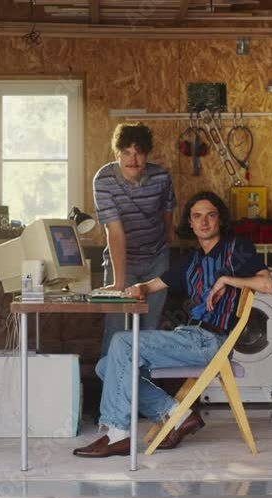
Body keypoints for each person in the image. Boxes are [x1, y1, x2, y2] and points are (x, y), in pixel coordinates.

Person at [74, 191, 272, 458]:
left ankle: (117, 434)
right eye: (197, 217)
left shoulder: (236, 250)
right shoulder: (191, 261)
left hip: (211, 341)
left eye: (210, 216)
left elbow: (267, 284)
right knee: (106, 365)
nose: (204, 222)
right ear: (190, 224)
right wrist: (135, 289)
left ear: (219, 220)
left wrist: (227, 280)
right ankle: (177, 415)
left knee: (121, 342)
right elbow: (151, 286)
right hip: (190, 335)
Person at [93, 122, 177, 356]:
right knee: (117, 330)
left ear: (146, 154)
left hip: (156, 259)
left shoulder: (162, 177)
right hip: (123, 260)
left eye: (138, 152)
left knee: (149, 331)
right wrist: (120, 283)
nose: (133, 159)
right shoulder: (104, 180)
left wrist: (163, 248)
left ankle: (142, 390)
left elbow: (168, 214)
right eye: (127, 153)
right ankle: (111, 390)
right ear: (117, 154)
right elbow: (115, 232)